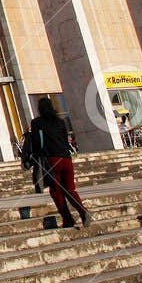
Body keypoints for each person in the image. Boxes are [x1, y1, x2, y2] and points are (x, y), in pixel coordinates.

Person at [28, 98, 90, 229]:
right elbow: (64, 139)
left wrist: (34, 156)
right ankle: (82, 210)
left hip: (52, 159)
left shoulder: (37, 123)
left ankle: (68, 219)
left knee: (56, 191)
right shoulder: (60, 122)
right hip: (66, 158)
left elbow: (37, 142)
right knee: (69, 188)